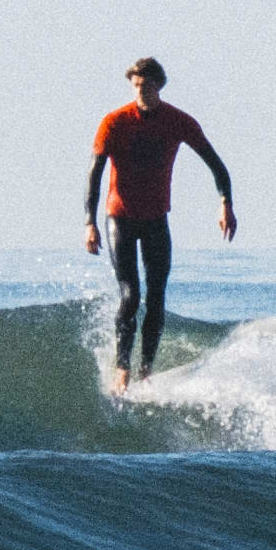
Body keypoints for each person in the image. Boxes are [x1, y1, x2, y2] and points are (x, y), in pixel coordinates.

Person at [84, 58, 235, 381]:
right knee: (130, 295)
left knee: (156, 298)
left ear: (159, 86)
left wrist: (225, 203)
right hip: (120, 217)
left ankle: (146, 369)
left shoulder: (178, 121)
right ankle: (123, 368)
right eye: (136, 86)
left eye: (146, 86)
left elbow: (216, 164)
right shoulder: (114, 122)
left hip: (156, 219)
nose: (140, 92)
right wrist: (89, 223)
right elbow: (94, 174)